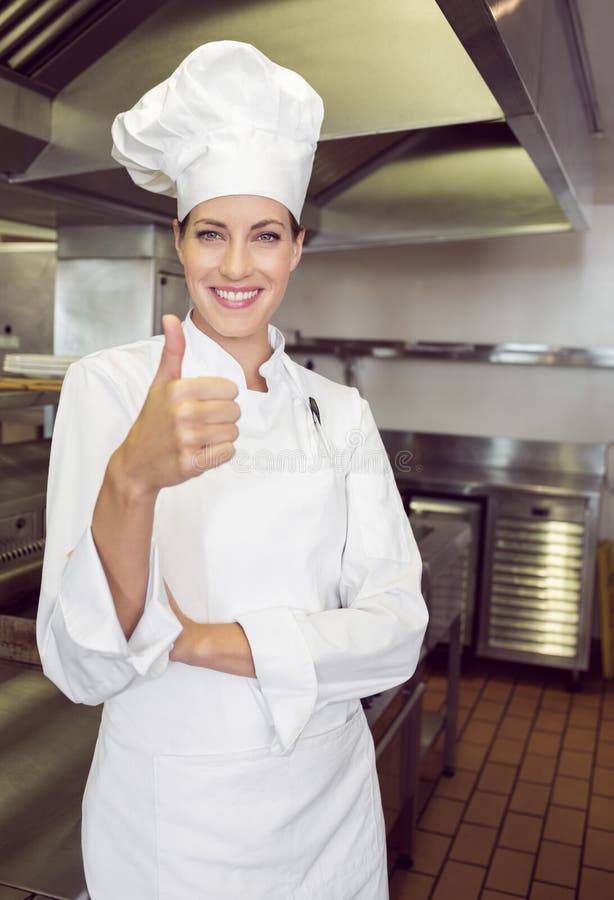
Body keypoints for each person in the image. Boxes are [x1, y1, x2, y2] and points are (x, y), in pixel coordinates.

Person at [37, 41, 428, 900]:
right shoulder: (109, 388)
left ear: (296, 249)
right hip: (169, 829)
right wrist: (130, 483)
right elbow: (81, 668)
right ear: (179, 241)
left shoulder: (341, 413)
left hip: (328, 819)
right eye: (212, 234)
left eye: (265, 237)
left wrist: (207, 642)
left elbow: (399, 629)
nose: (237, 266)